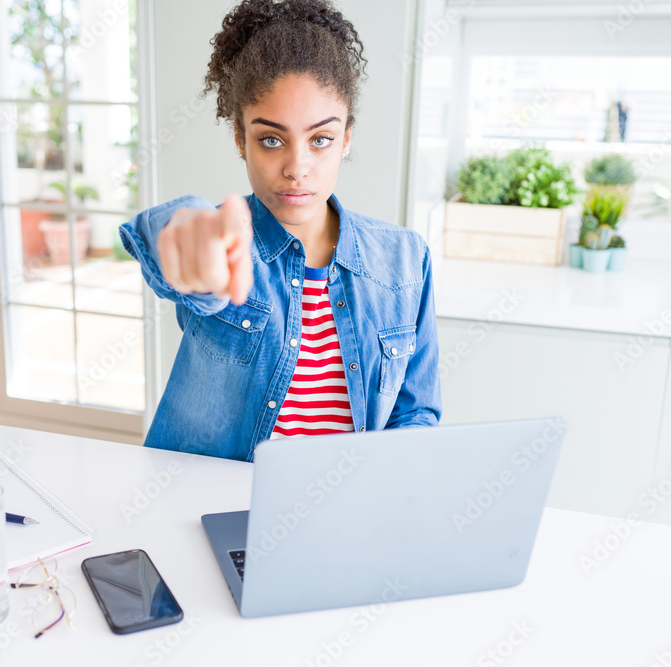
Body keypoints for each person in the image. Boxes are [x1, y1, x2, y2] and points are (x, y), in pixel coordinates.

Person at [119, 0, 441, 462]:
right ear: (239, 138)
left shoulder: (406, 259)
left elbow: (416, 416)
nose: (296, 168)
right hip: (217, 509)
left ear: (346, 139)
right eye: (271, 140)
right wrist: (181, 229)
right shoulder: (223, 242)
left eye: (321, 140)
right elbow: (177, 235)